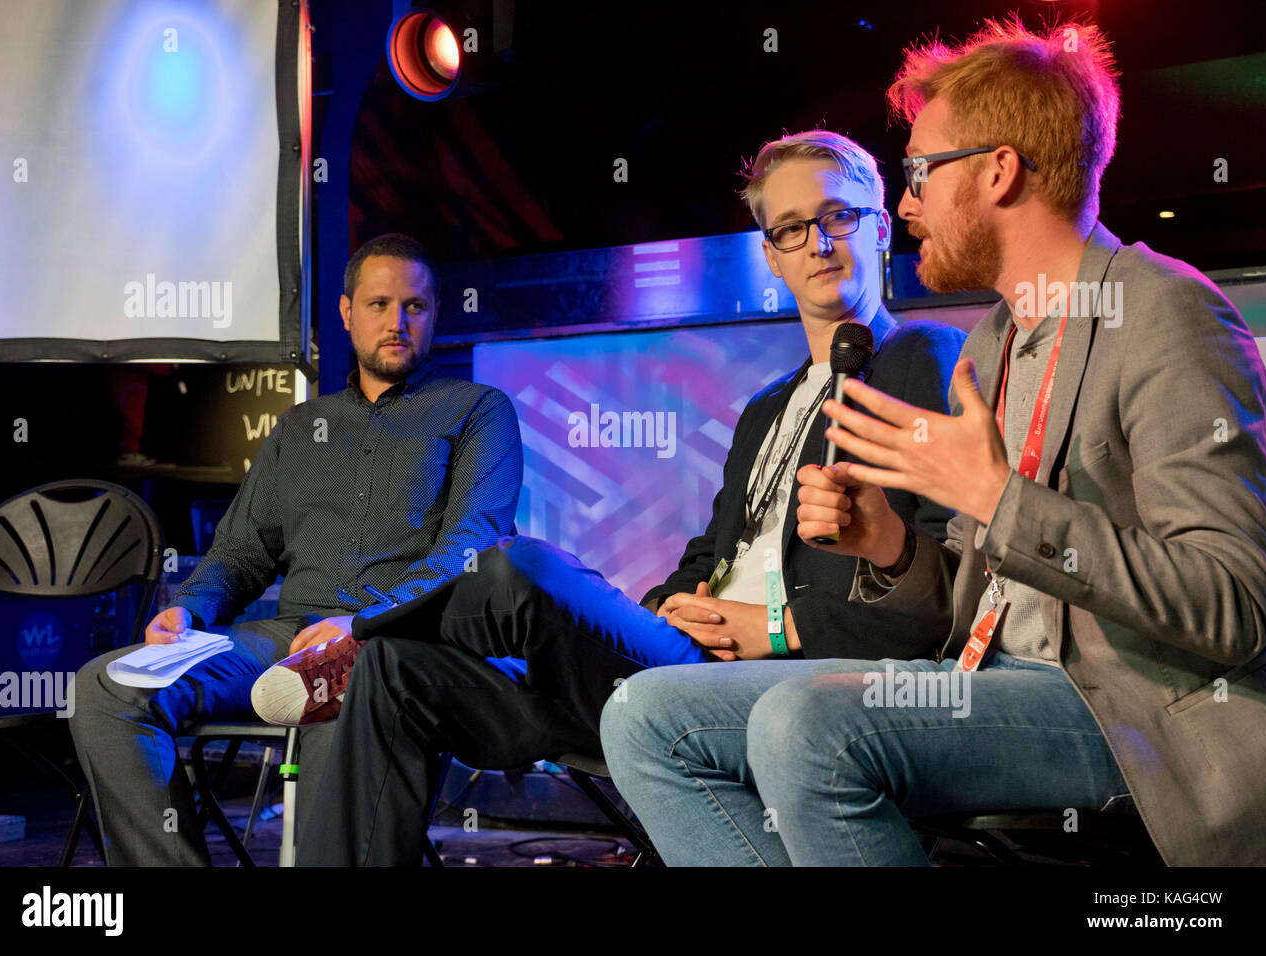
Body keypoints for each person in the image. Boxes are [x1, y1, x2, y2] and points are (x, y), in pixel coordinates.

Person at [600, 18, 1266, 867]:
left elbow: (1234, 608)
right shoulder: (996, 341)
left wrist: (1001, 500)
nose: (906, 202)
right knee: (648, 716)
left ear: (998, 171)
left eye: (919, 173)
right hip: (984, 682)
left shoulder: (1165, 311)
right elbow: (967, 599)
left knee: (806, 727)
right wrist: (886, 545)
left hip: (1127, 710)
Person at [266, 130, 966, 865]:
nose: (818, 243)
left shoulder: (924, 358)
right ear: (770, 254)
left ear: (881, 226)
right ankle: (377, 647)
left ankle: (365, 629)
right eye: (791, 229)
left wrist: (782, 626)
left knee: (515, 570)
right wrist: (668, 605)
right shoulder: (767, 405)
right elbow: (710, 553)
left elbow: (941, 590)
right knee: (394, 674)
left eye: (838, 218)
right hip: (678, 664)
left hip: (780, 684)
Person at [67, 233, 523, 865]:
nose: (397, 322)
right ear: (346, 313)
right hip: (287, 636)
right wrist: (191, 610)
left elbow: (468, 552)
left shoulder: (478, 410)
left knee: (343, 702)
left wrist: (358, 624)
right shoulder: (302, 428)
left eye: (415, 307)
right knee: (108, 688)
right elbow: (241, 549)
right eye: (379, 304)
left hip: (392, 647)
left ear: (435, 315)